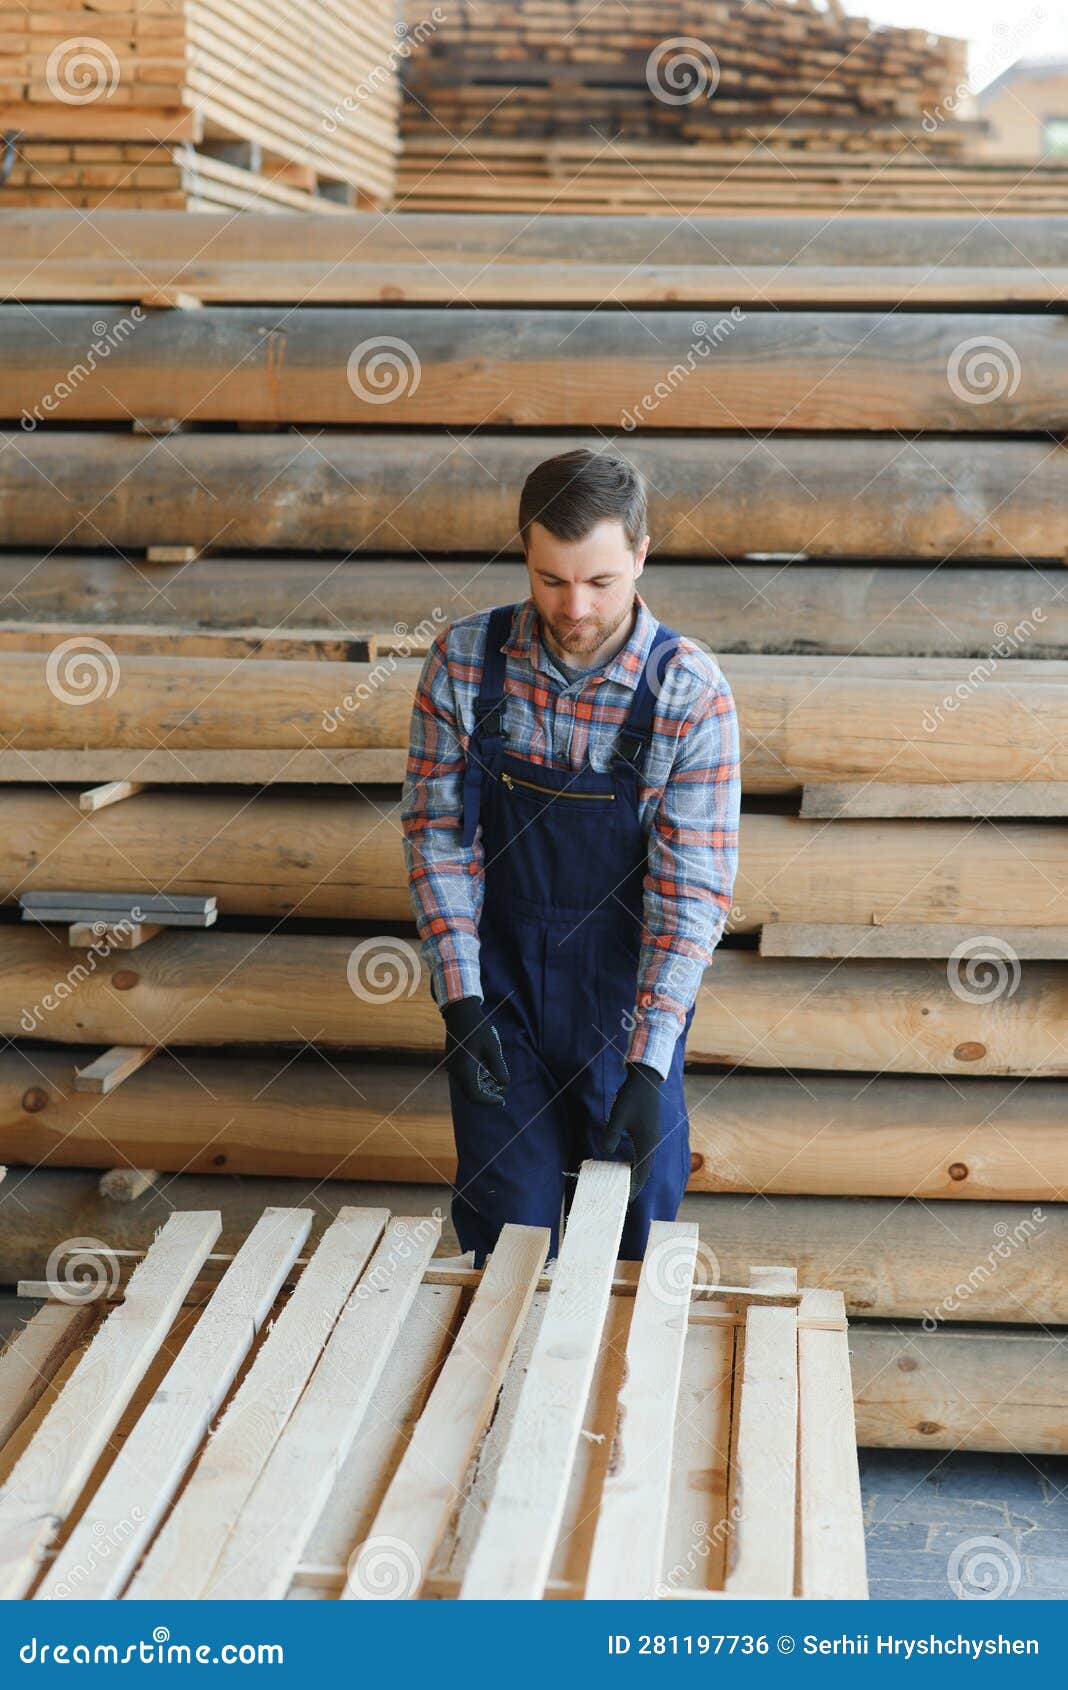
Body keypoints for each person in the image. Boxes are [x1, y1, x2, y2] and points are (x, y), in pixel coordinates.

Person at [400, 447, 740, 1262]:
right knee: (507, 1235)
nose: (575, 606)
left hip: (622, 1007)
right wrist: (460, 1000)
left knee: (629, 1239)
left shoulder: (690, 696)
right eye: (551, 580)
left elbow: (690, 897)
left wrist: (651, 1065)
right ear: (526, 554)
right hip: (502, 993)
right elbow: (438, 838)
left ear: (640, 557)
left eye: (600, 582)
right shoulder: (463, 663)